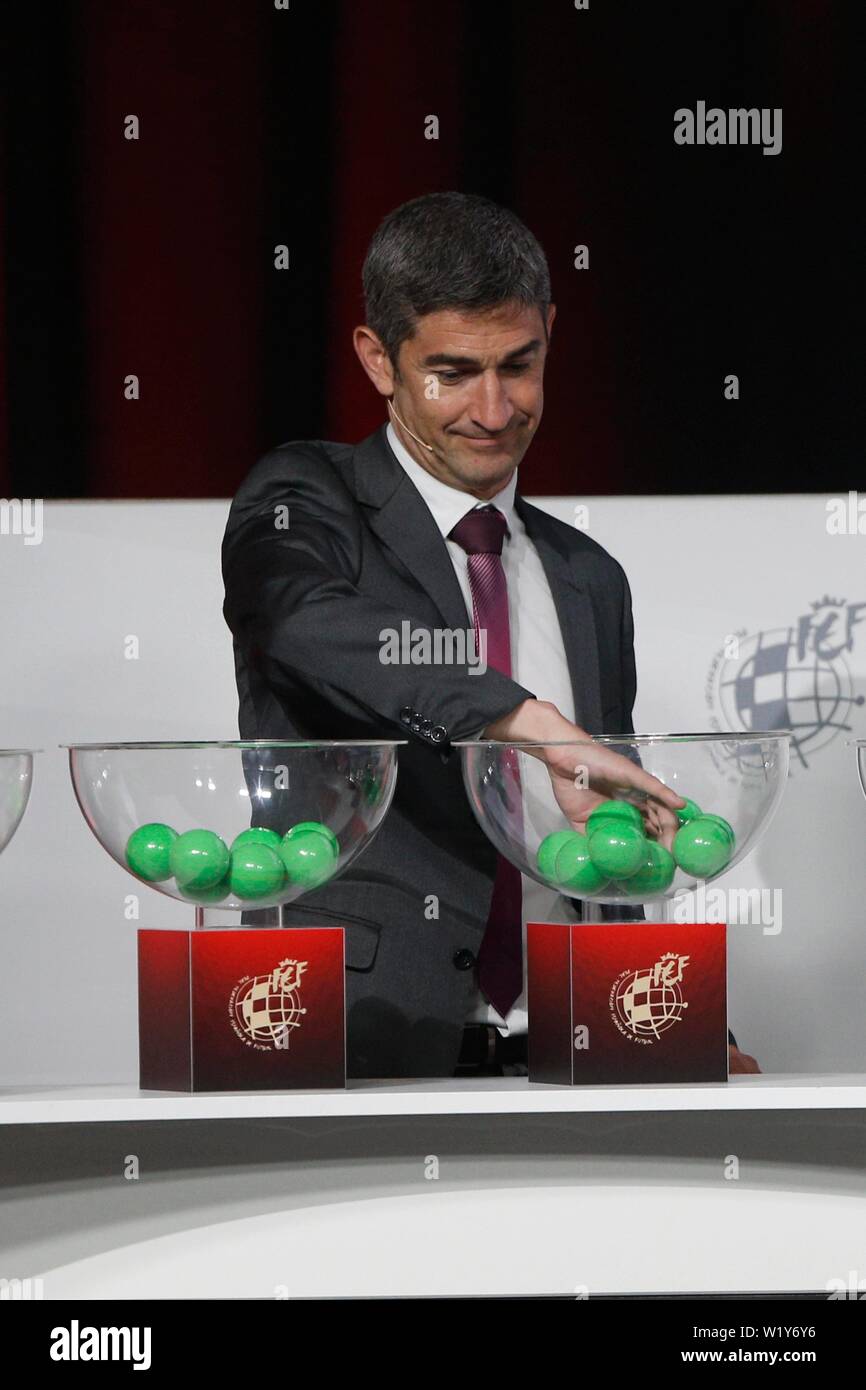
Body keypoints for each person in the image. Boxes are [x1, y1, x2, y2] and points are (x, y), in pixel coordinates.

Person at [222, 191, 759, 1079]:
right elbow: (300, 622)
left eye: (520, 363)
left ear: (550, 331)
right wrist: (526, 720)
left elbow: (602, 835)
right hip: (356, 1033)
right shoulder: (306, 498)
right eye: (453, 372)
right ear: (378, 360)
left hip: (572, 1048)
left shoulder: (589, 576)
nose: (495, 408)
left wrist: (684, 1019)